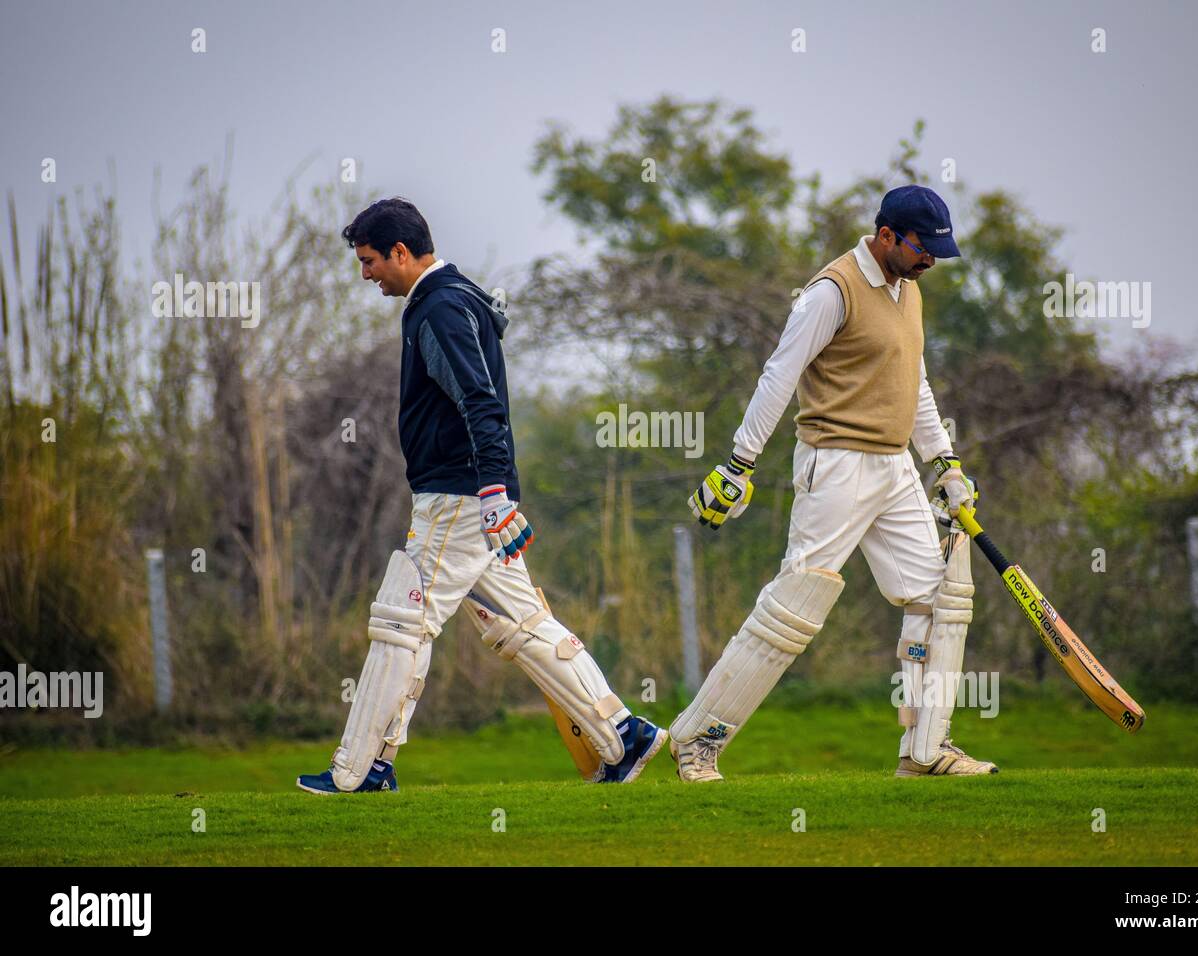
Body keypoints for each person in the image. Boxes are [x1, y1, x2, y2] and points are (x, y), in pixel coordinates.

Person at [297, 198, 665, 793]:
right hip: (475, 497)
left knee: (402, 623)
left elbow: (479, 400)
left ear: (400, 252)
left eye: (369, 262)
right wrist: (498, 494)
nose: (365, 274)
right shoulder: (455, 298)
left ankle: (362, 770)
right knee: (520, 625)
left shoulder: (439, 308)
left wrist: (493, 491)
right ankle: (625, 737)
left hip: (458, 497)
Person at [673, 185, 998, 780]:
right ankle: (698, 740)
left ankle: (926, 751)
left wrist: (944, 462)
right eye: (924, 249)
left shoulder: (909, 291)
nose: (931, 261)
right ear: (887, 236)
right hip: (836, 463)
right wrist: (740, 462)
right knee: (794, 608)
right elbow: (780, 374)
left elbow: (914, 382)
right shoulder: (832, 290)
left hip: (896, 466)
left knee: (939, 599)